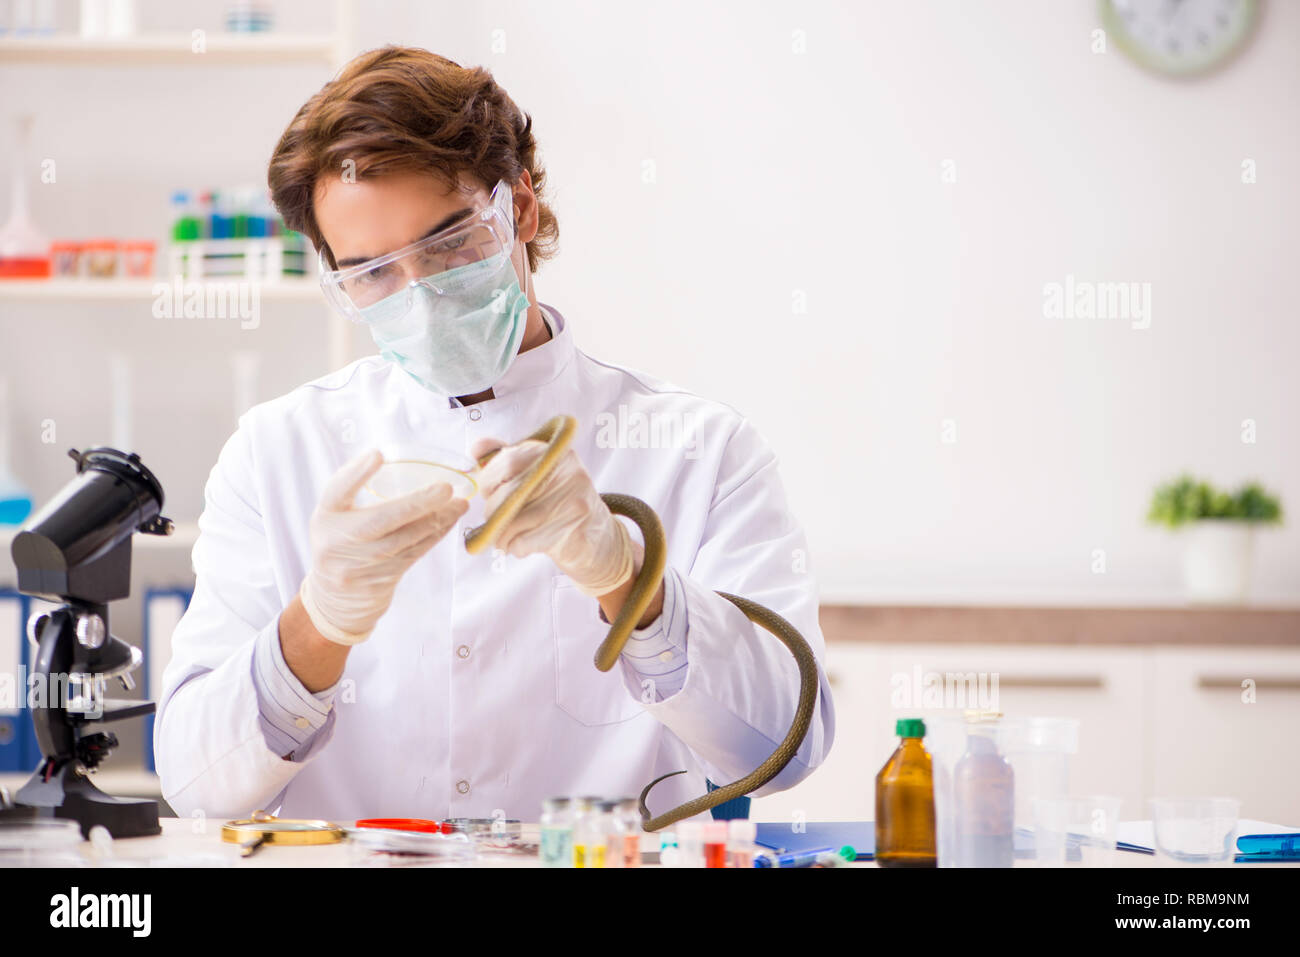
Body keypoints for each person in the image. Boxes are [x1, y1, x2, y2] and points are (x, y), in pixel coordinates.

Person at [154, 46, 834, 823]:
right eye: (371, 272)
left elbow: (788, 745)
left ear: (522, 208)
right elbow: (193, 784)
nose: (421, 298)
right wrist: (319, 621)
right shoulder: (276, 452)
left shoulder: (701, 450)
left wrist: (629, 580)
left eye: (447, 244)